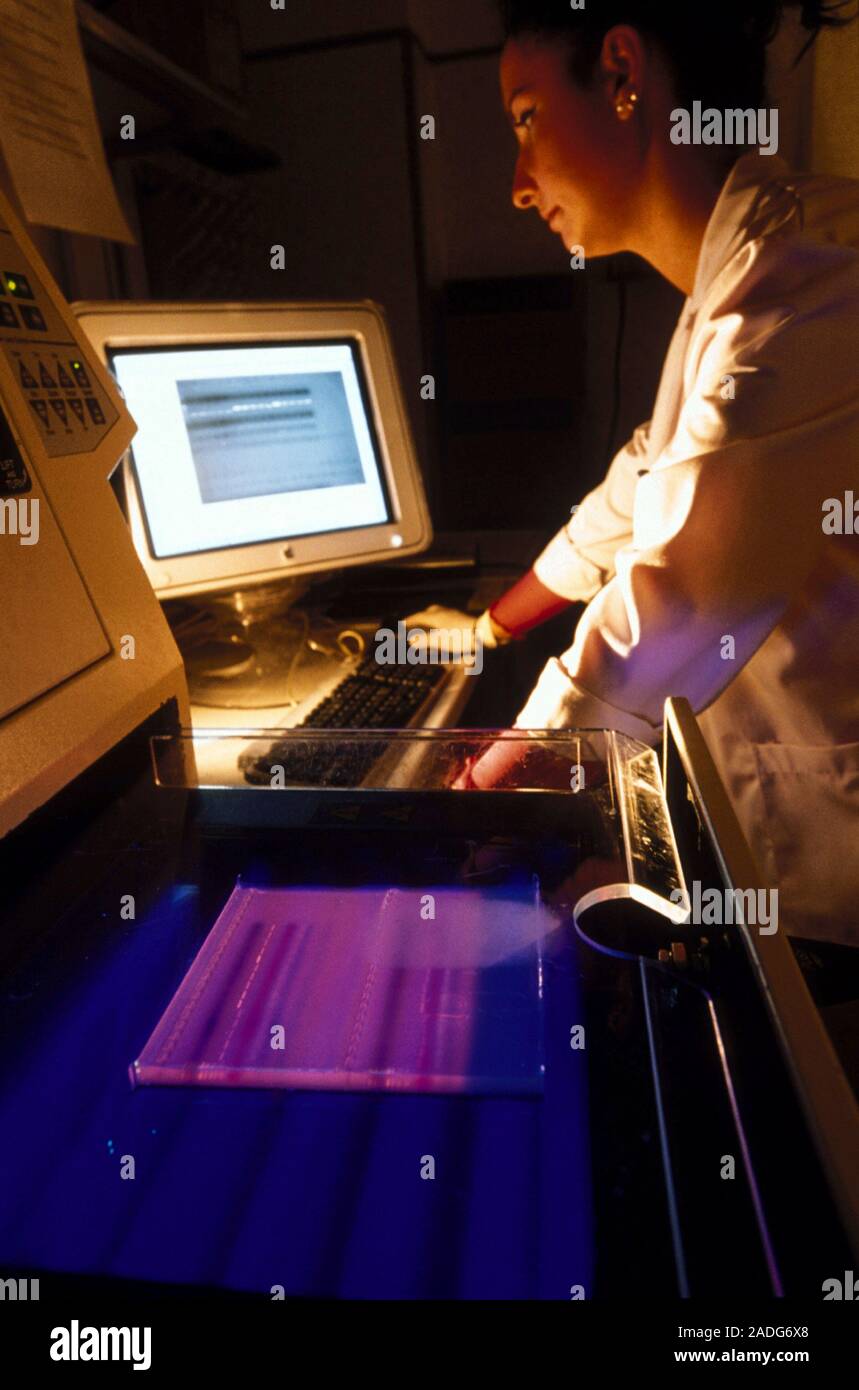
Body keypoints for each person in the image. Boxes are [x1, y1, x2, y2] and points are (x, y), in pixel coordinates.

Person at [408, 0, 859, 945]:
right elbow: (628, 501)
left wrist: (502, 776)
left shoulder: (813, 272)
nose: (519, 187)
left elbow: (688, 592)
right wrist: (485, 628)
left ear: (620, 75)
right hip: (761, 849)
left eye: (526, 119)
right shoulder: (730, 285)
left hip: (827, 887)